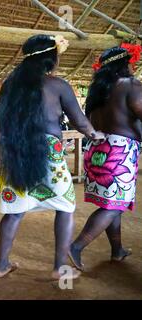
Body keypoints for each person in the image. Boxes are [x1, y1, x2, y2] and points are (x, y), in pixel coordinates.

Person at [0, 35, 105, 280]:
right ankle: (58, 268)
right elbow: (79, 120)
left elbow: (2, 123)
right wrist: (94, 135)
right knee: (65, 207)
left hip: (15, 150)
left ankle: (1, 265)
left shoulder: (9, 86)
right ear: (50, 58)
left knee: (14, 212)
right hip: (49, 153)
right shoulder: (58, 85)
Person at [69, 44, 142, 271]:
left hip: (97, 150)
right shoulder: (130, 85)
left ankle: (117, 250)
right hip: (119, 153)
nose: (133, 66)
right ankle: (75, 247)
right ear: (125, 64)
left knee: (114, 204)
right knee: (112, 206)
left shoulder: (98, 92)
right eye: (131, 62)